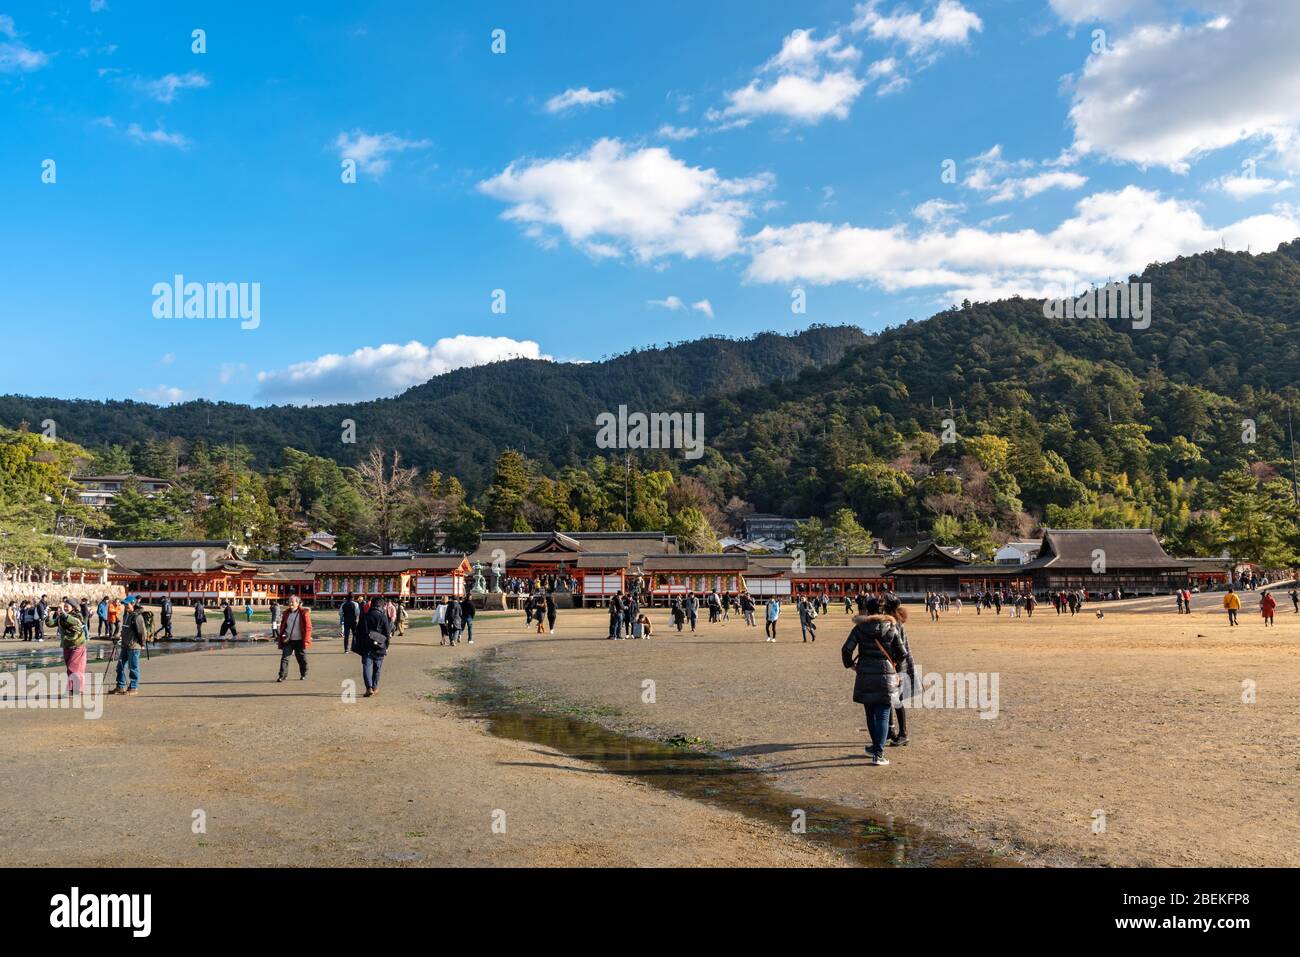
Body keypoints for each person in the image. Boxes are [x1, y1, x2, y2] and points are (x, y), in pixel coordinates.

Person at [842, 597, 909, 766]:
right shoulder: (891, 626)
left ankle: (876, 748)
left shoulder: (859, 628)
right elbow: (902, 653)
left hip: (865, 675)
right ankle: (878, 753)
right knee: (883, 715)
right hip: (886, 676)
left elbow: (846, 649)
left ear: (867, 610)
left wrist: (851, 665)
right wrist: (895, 665)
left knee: (871, 715)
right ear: (882, 610)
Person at [882, 595, 916, 748]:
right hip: (897, 664)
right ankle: (891, 731)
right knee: (891, 699)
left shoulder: (894, 623)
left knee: (896, 700)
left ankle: (903, 733)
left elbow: (898, 649)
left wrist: (894, 667)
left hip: (897, 666)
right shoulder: (896, 620)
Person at [353, 593, 392, 697]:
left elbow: (358, 632)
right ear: (381, 605)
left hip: (367, 646)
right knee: (377, 668)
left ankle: (368, 688)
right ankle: (374, 687)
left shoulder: (365, 616)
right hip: (380, 646)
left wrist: (360, 645)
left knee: (367, 666)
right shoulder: (383, 617)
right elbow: (387, 634)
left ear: (371, 605)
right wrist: (386, 646)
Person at [108, 597, 149, 696]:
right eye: (125, 605)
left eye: (127, 604)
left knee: (133, 668)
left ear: (133, 604)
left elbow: (142, 632)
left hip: (134, 646)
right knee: (120, 667)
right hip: (125, 645)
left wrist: (142, 644)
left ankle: (133, 688)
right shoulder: (127, 615)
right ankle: (120, 686)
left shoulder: (137, 616)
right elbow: (124, 630)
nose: (126, 606)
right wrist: (118, 637)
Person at [275, 595, 312, 682]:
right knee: (285, 658)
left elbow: (308, 627)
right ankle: (282, 676)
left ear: (298, 603)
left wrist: (306, 640)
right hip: (289, 640)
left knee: (301, 658)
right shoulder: (286, 613)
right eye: (289, 601)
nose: (290, 603)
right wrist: (282, 635)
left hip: (299, 640)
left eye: (292, 601)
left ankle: (304, 673)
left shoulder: (303, 613)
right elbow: (284, 626)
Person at [57, 599, 87, 695]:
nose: (65, 608)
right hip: (67, 644)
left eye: (67, 606)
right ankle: (75, 689)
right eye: (64, 606)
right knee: (73, 668)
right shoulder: (62, 616)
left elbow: (74, 621)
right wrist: (50, 616)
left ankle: (74, 689)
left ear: (73, 607)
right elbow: (50, 623)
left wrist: (64, 612)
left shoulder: (78, 615)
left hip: (77, 644)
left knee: (73, 667)